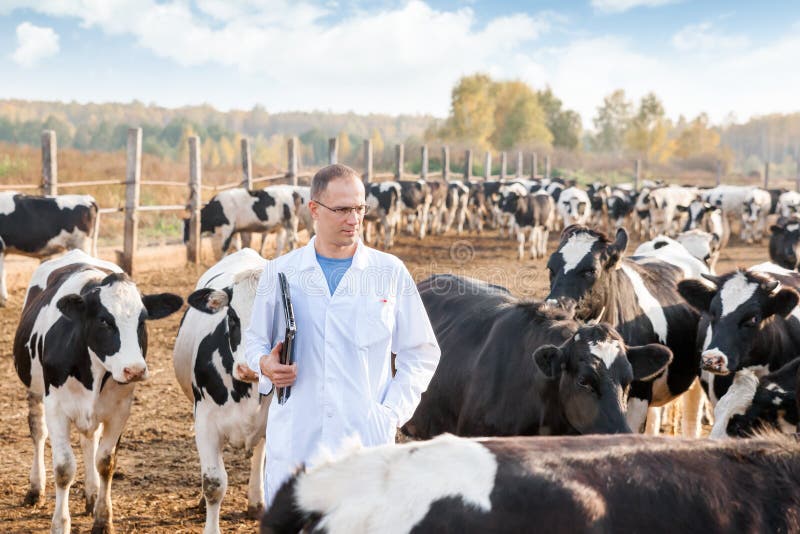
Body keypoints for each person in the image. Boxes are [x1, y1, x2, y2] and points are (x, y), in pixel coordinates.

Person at [245, 164, 441, 503]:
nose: (354, 219)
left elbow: (421, 352)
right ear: (314, 210)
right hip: (296, 441)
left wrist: (391, 413)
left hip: (364, 441)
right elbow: (254, 341)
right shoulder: (281, 272)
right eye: (342, 209)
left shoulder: (389, 272)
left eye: (360, 208)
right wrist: (265, 365)